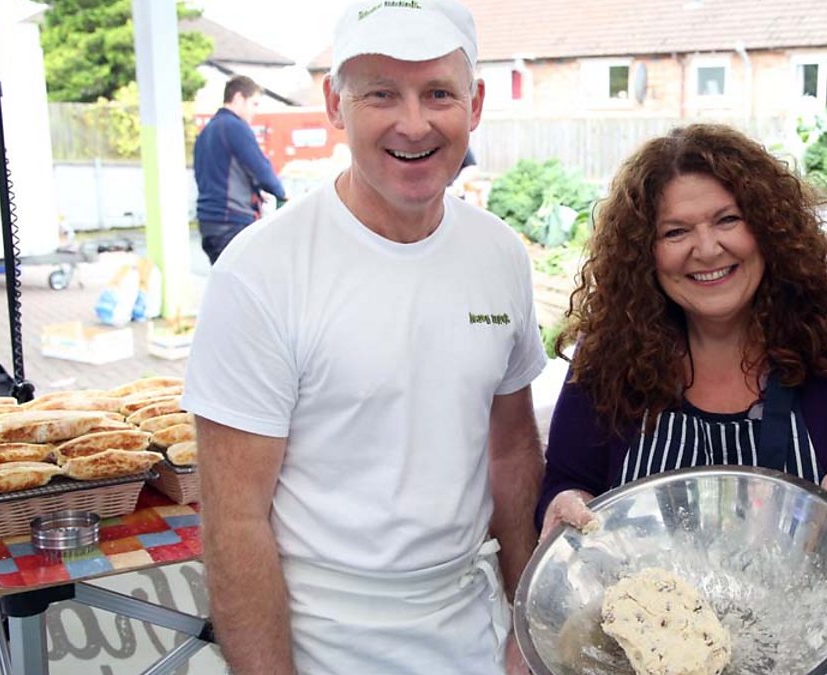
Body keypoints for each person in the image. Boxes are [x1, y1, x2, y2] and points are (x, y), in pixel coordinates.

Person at [180, 2, 547, 673]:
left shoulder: (499, 254)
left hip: (474, 628)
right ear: (334, 104)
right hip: (326, 638)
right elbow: (235, 523)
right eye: (381, 92)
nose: (414, 123)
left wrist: (527, 618)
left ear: (477, 102)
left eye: (438, 92)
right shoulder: (262, 271)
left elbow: (514, 450)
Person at [538, 124, 827, 673]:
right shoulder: (611, 354)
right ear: (644, 252)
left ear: (766, 225)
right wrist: (563, 509)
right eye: (674, 232)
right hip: (671, 653)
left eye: (727, 220)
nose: (706, 248)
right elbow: (569, 486)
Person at [192, 74, 287, 264]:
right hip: (232, 223)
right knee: (249, 287)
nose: (255, 111)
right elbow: (261, 169)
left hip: (209, 222)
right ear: (238, 98)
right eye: (254, 104)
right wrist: (282, 194)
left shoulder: (206, 133)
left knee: (226, 285)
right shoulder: (234, 127)